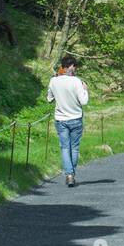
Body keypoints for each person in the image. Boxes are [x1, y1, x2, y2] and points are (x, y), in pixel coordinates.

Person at [47, 56, 90, 188]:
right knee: (74, 147)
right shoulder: (76, 81)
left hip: (61, 119)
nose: (75, 69)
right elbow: (84, 101)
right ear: (71, 66)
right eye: (75, 66)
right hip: (76, 118)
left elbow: (49, 98)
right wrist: (85, 89)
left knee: (65, 148)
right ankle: (72, 174)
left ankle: (69, 174)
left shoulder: (53, 81)